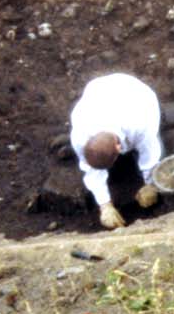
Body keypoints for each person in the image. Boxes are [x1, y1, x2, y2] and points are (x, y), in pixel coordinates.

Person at [69, 73, 164, 230]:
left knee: (148, 143)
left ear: (119, 148)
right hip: (98, 89)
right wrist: (104, 205)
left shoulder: (139, 123)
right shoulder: (80, 133)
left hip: (136, 94)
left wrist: (151, 184)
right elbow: (90, 169)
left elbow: (150, 154)